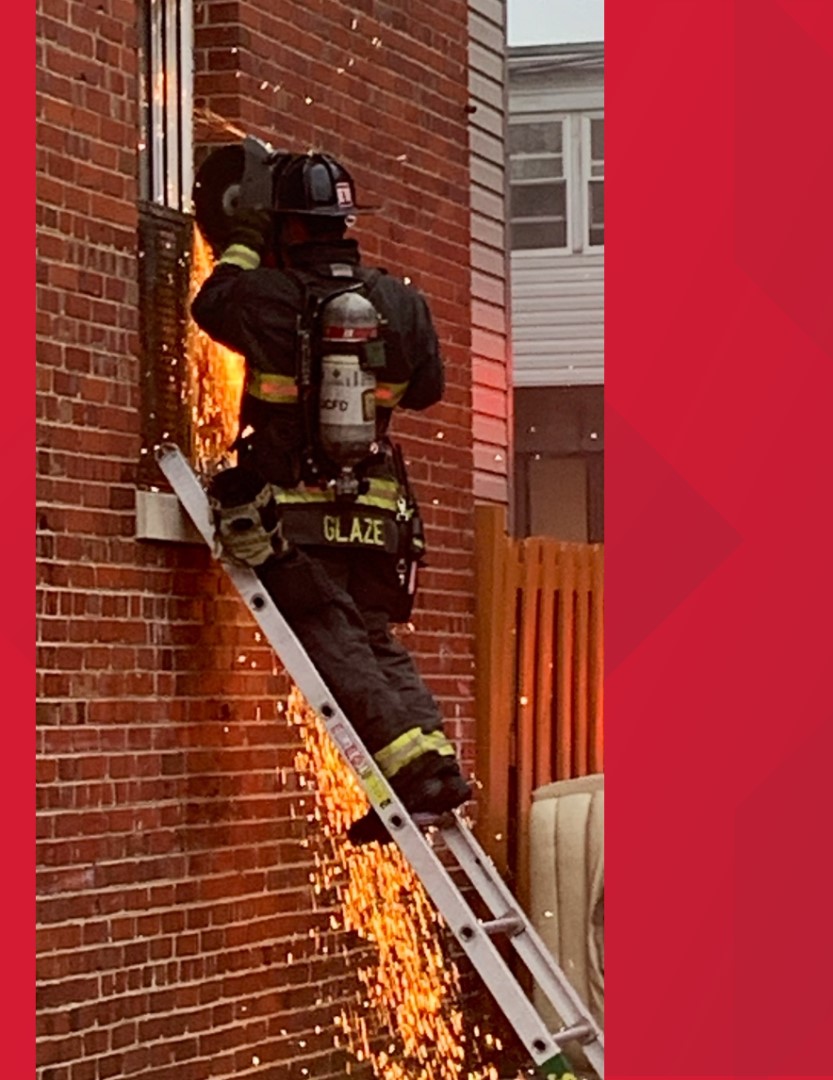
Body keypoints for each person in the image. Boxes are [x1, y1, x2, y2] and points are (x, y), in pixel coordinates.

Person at [191, 151, 472, 833]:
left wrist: (242, 241)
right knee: (372, 636)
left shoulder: (268, 294)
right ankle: (434, 763)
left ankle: (406, 771)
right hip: (379, 514)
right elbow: (429, 390)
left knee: (330, 636)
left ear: (287, 227)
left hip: (300, 516)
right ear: (344, 220)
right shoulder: (399, 300)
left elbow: (211, 302)